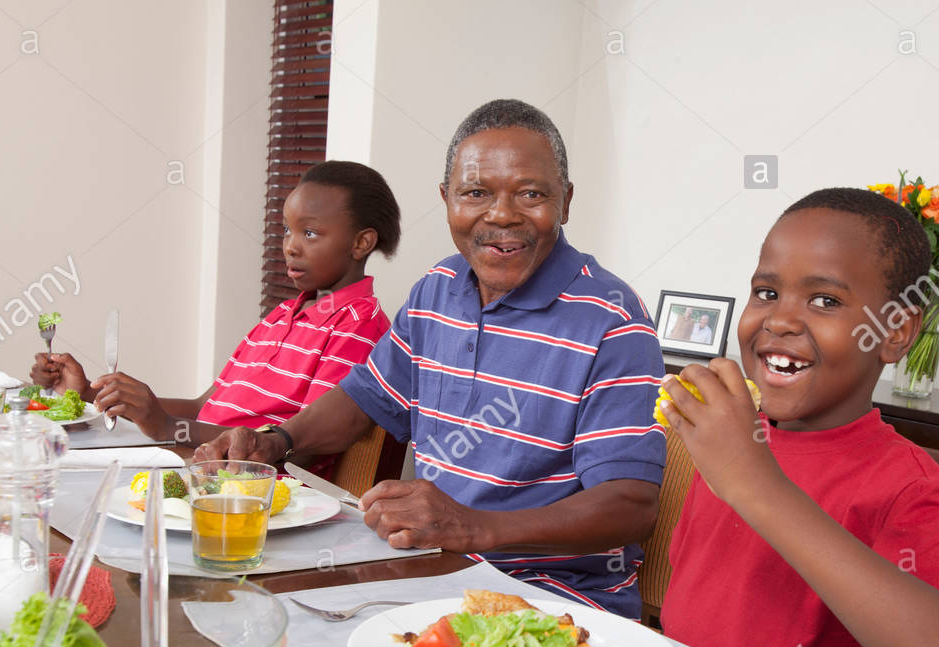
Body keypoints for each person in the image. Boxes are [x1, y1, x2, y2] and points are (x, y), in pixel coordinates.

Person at [195, 100, 665, 617]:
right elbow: (365, 397)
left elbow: (630, 504)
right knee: (244, 615)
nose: (502, 214)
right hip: (431, 572)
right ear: (446, 199)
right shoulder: (436, 289)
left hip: (551, 598)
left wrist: (474, 527)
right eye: (476, 193)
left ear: (566, 201)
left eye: (531, 194)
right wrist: (275, 442)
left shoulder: (614, 320)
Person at [656, 187, 939, 647]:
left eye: (825, 302)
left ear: (896, 332)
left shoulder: (910, 488)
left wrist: (755, 485)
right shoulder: (731, 437)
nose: (781, 321)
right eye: (766, 292)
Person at [31, 161, 401, 451]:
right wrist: (92, 395)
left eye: (309, 232)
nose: (290, 245)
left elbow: (297, 443)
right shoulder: (279, 317)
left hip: (251, 491)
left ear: (361, 243)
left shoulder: (358, 325)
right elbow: (201, 408)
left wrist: (164, 426)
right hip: (197, 459)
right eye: (287, 230)